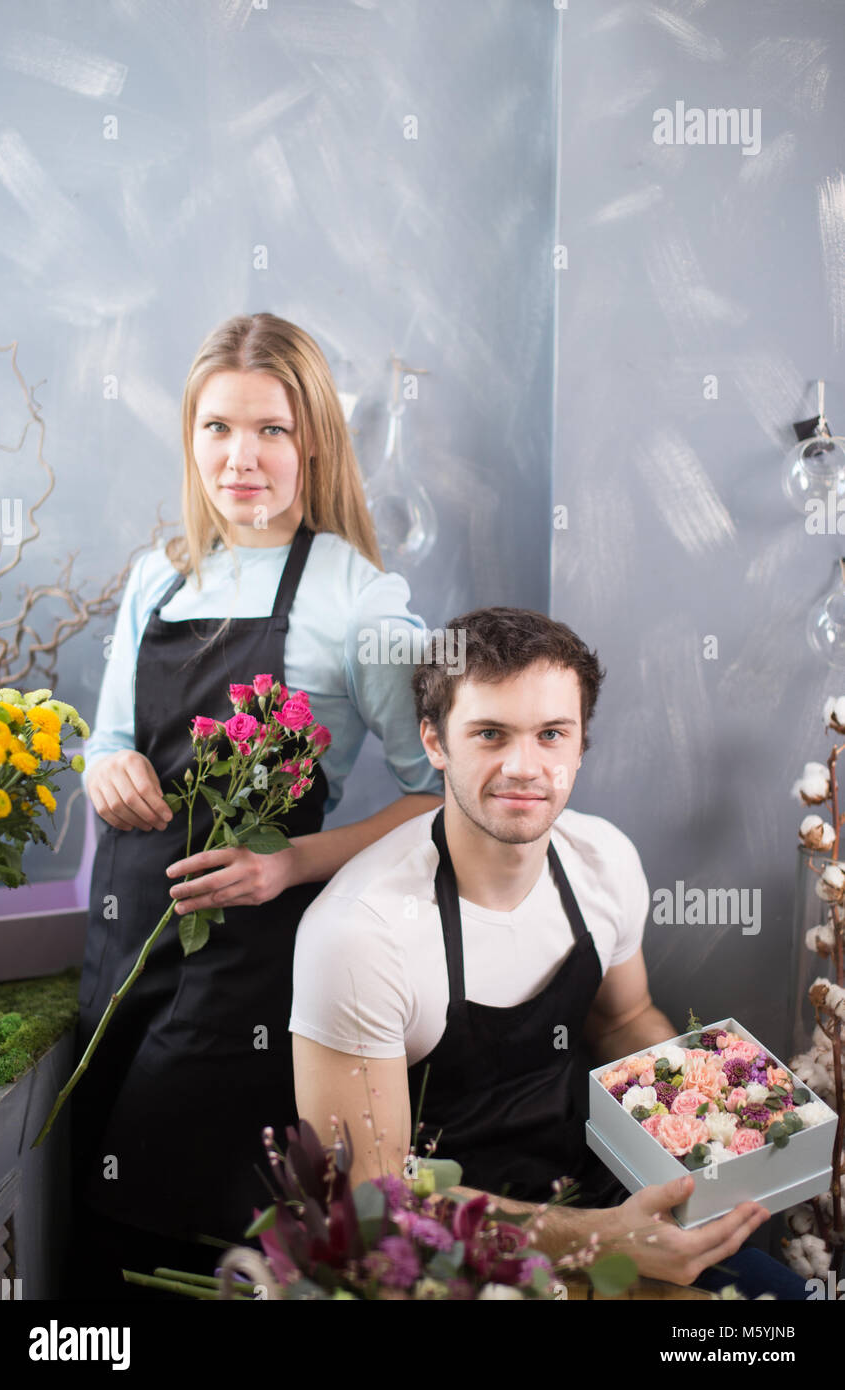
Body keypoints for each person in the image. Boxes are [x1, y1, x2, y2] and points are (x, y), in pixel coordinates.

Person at [67, 312, 443, 1299]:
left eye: (271, 430)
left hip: (239, 976)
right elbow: (106, 740)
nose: (242, 458)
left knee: (181, 1228)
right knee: (92, 1213)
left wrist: (289, 863)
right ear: (191, 440)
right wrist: (100, 765)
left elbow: (432, 800)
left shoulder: (357, 599)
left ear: (311, 439)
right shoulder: (157, 577)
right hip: (121, 956)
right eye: (217, 429)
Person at [291, 607, 805, 1298]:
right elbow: (368, 1205)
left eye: (551, 734)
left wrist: (720, 1134)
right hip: (449, 1255)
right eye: (490, 734)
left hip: (602, 1191)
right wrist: (600, 1242)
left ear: (580, 745)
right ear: (434, 742)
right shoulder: (359, 933)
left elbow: (625, 1021)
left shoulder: (605, 862)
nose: (523, 767)